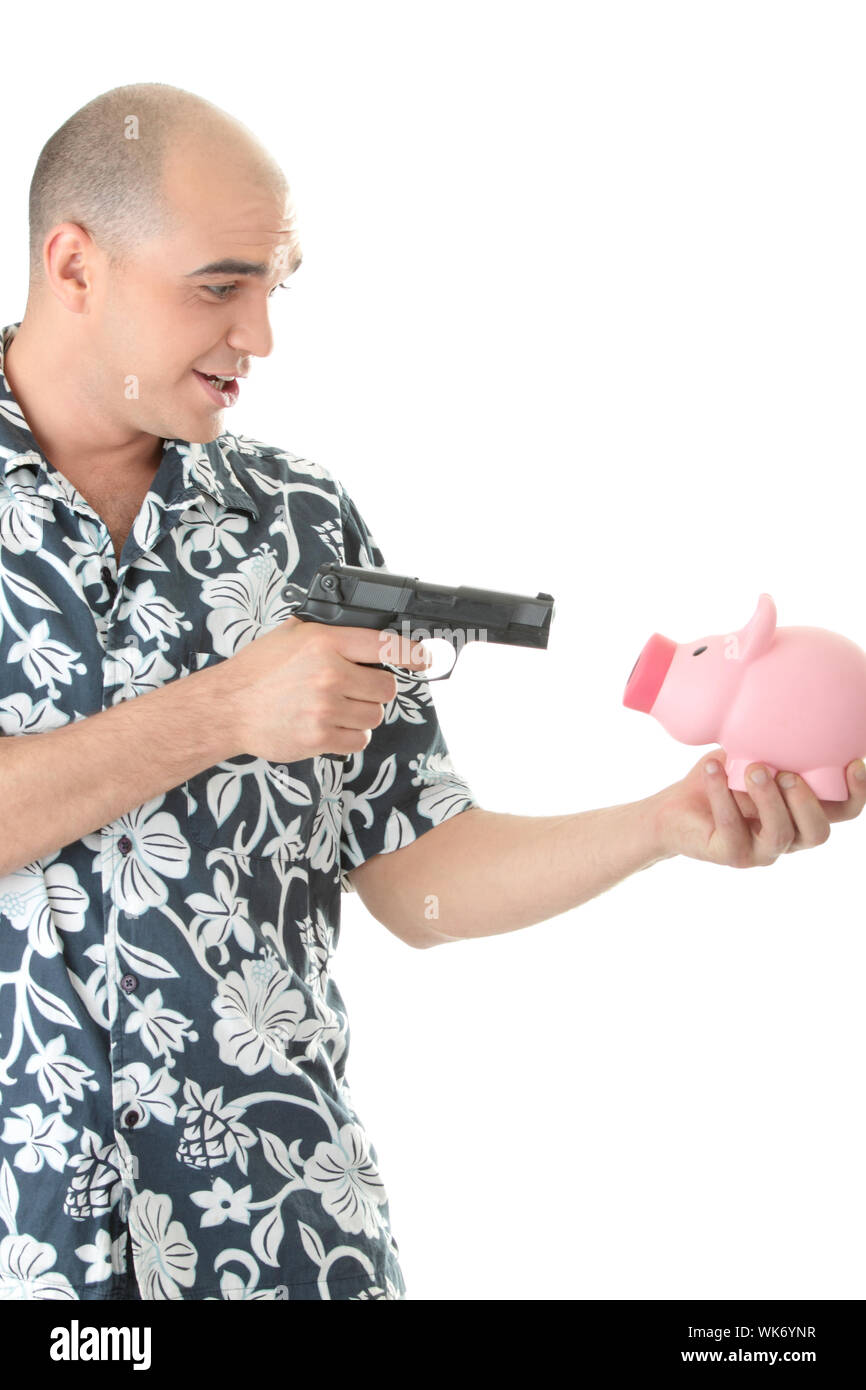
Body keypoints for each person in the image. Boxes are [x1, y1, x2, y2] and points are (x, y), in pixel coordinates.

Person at [0, 83, 863, 1303]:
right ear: (74, 263)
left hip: (284, 1241)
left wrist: (664, 824)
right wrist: (218, 712)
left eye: (275, 287)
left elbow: (419, 880)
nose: (259, 337)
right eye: (217, 285)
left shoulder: (303, 521)